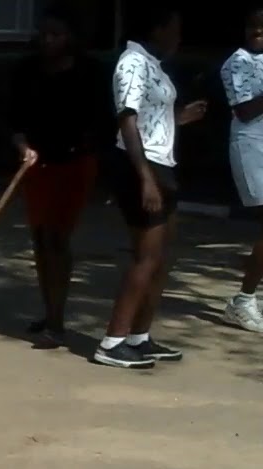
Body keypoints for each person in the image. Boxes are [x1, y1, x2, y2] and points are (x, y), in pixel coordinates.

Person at [97, 5, 205, 368]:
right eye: (174, 28)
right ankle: (112, 342)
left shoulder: (152, 63)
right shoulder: (132, 62)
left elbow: (149, 118)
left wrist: (180, 118)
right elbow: (127, 120)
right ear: (157, 29)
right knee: (145, 256)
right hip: (141, 166)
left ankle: (139, 337)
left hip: (160, 163)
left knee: (161, 256)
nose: (178, 36)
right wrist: (145, 179)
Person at [11, 4, 109, 346]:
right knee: (39, 238)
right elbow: (13, 120)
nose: (48, 41)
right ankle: (49, 310)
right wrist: (22, 145)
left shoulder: (90, 72)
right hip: (36, 165)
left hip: (75, 164)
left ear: (71, 38)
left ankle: (57, 318)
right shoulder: (27, 70)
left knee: (58, 238)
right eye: (44, 34)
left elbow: (101, 122)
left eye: (56, 35)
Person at [222, 4, 263, 333]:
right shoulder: (237, 62)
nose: (257, 32)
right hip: (251, 146)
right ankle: (243, 301)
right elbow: (245, 110)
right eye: (252, 27)